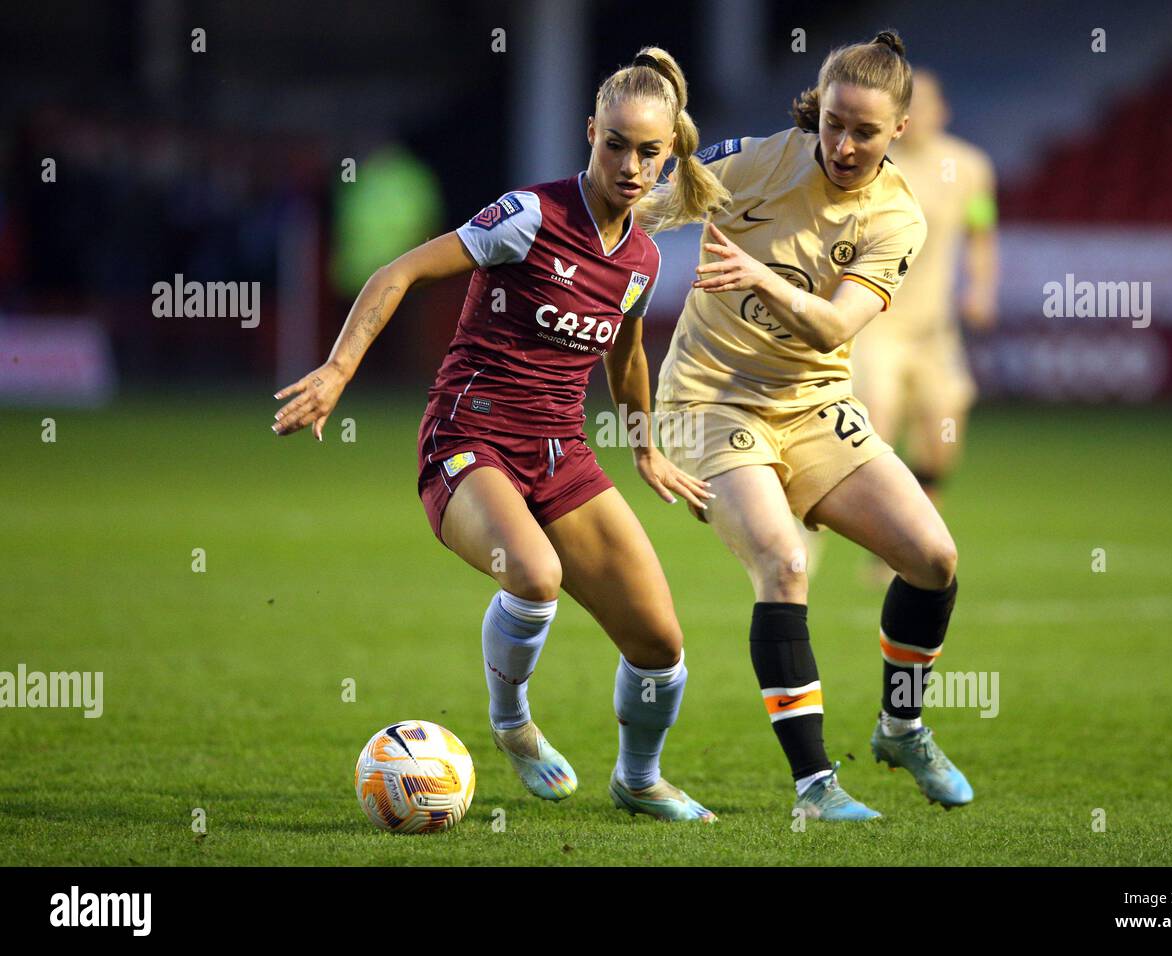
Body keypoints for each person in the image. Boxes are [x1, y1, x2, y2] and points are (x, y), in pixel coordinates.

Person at [273, 48, 728, 822]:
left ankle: (639, 780)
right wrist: (338, 371)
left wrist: (646, 445)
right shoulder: (529, 216)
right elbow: (399, 272)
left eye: (648, 152)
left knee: (659, 644)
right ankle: (512, 725)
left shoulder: (644, 258)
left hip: (561, 454)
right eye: (614, 143)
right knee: (534, 574)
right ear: (589, 132)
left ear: (669, 155)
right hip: (468, 439)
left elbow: (626, 356)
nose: (629, 164)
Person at [652, 31, 974, 821]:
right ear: (817, 112)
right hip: (710, 401)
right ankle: (815, 788)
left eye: (865, 130)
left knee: (933, 557)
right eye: (833, 122)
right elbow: (637, 207)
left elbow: (834, 327)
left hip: (814, 404)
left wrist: (758, 273)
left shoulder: (898, 216)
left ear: (898, 129)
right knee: (784, 563)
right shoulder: (760, 160)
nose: (843, 143)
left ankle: (901, 726)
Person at [851, 68, 998, 514]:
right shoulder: (870, 165)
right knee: (876, 417)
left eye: (923, 105)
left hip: (935, 328)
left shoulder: (970, 168)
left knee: (942, 433)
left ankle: (919, 523)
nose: (915, 115)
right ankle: (887, 532)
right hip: (876, 323)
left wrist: (981, 288)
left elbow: (980, 233)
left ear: (942, 111)